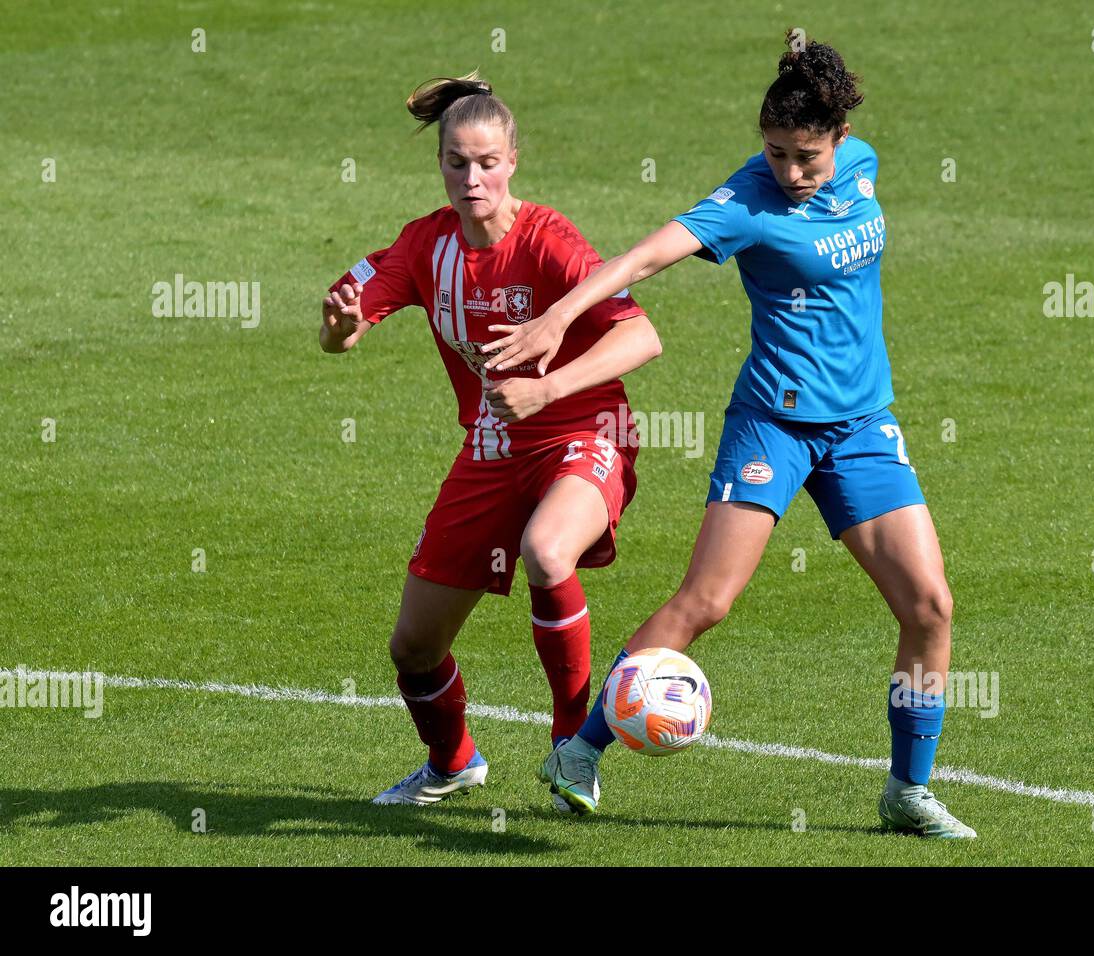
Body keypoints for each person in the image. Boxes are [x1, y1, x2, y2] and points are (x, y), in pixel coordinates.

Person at [484, 36, 975, 838]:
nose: (790, 172)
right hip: (773, 426)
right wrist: (556, 318)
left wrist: (807, 56)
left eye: (806, 156)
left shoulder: (864, 164)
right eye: (775, 152)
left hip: (861, 425)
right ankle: (580, 750)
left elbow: (832, 124)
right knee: (706, 602)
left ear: (840, 139)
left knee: (929, 606)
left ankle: (907, 791)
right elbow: (643, 260)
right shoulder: (746, 202)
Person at [319, 71, 662, 806]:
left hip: (582, 432)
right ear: (438, 162)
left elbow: (641, 337)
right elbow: (340, 331)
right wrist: (339, 327)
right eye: (455, 163)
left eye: (486, 163)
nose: (471, 180)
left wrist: (546, 388)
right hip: (490, 449)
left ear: (512, 162)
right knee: (412, 649)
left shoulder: (550, 241)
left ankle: (573, 744)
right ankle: (453, 763)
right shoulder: (424, 246)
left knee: (546, 550)